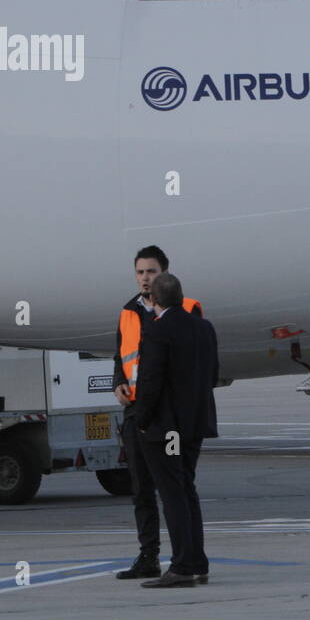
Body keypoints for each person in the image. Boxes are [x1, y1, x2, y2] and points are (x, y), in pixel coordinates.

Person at [112, 246, 203, 580]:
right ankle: (148, 554)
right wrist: (118, 382)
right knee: (141, 488)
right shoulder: (127, 312)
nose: (145, 278)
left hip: (168, 416)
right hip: (137, 409)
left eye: (151, 272)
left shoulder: (187, 310)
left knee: (176, 487)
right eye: (140, 272)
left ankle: (187, 559)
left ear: (164, 273)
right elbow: (120, 355)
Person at [133, 273, 220, 588]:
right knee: (186, 490)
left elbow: (151, 382)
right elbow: (213, 374)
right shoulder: (204, 328)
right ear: (182, 298)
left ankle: (183, 565)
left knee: (172, 495)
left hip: (168, 430)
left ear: (154, 301)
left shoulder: (157, 330)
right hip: (196, 424)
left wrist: (140, 420)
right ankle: (197, 562)